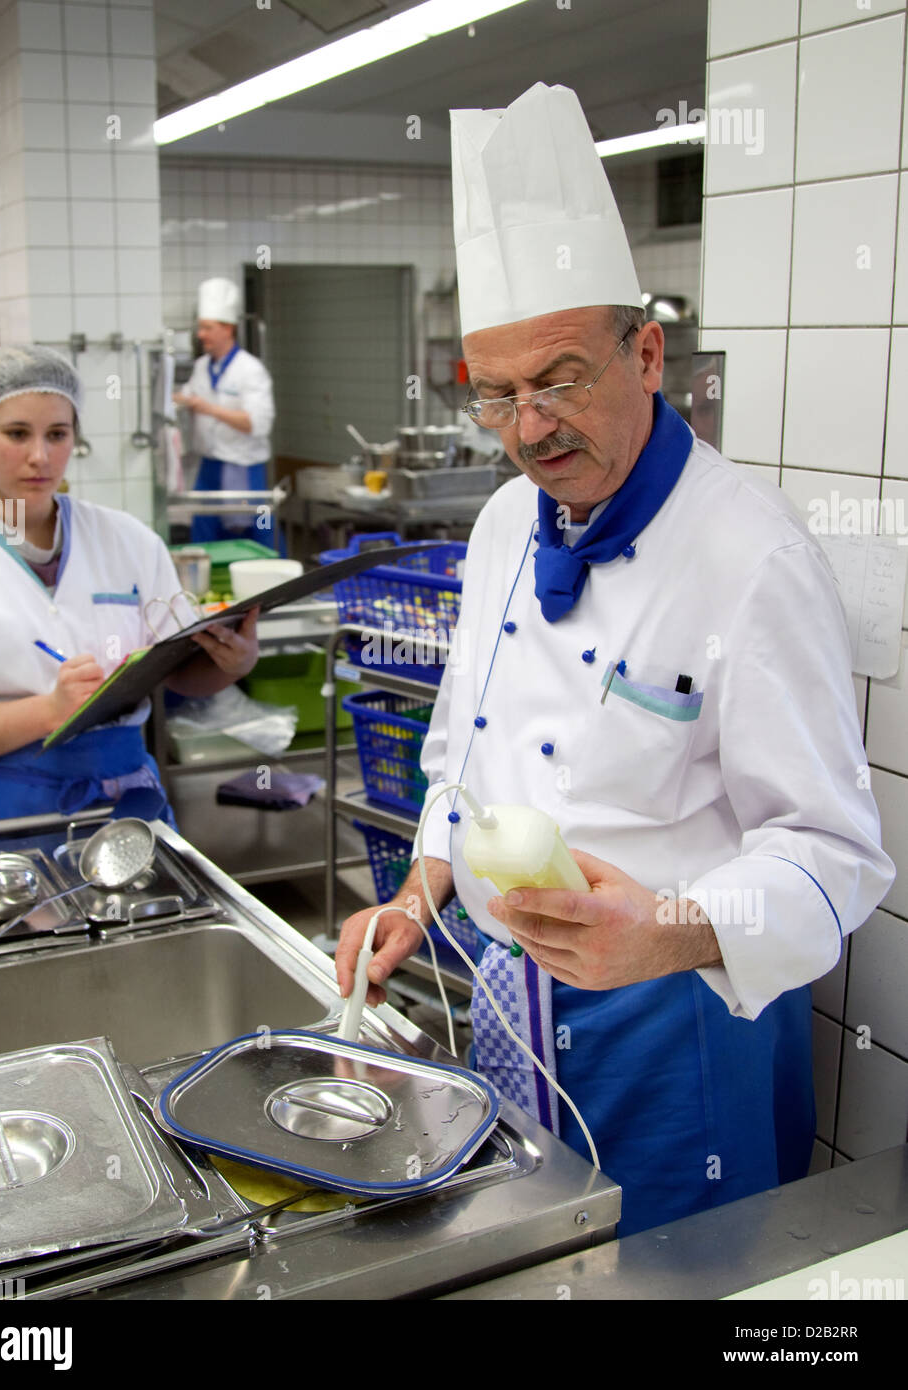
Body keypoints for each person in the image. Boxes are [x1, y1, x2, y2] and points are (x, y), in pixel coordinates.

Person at [336, 83, 896, 1238]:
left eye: (561, 379)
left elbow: (835, 856)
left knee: (679, 1283)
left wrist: (671, 928)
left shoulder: (753, 558)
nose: (531, 428)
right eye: (498, 394)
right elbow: (460, 762)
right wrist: (415, 895)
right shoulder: (501, 523)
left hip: (683, 1025)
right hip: (514, 1005)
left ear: (646, 353)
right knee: (547, 1265)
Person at [0, 344, 260, 828]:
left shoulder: (129, 540)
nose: (39, 456)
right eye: (17, 433)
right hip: (1, 817)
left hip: (127, 813)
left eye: (56, 434)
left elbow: (182, 672)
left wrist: (235, 663)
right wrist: (48, 712)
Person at [172, 277, 276, 549]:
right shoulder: (202, 366)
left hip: (242, 467)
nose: (201, 335)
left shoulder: (250, 370)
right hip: (209, 465)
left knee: (250, 535)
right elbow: (188, 397)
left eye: (207, 328)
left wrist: (208, 409)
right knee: (204, 533)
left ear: (228, 329)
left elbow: (257, 424)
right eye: (200, 328)